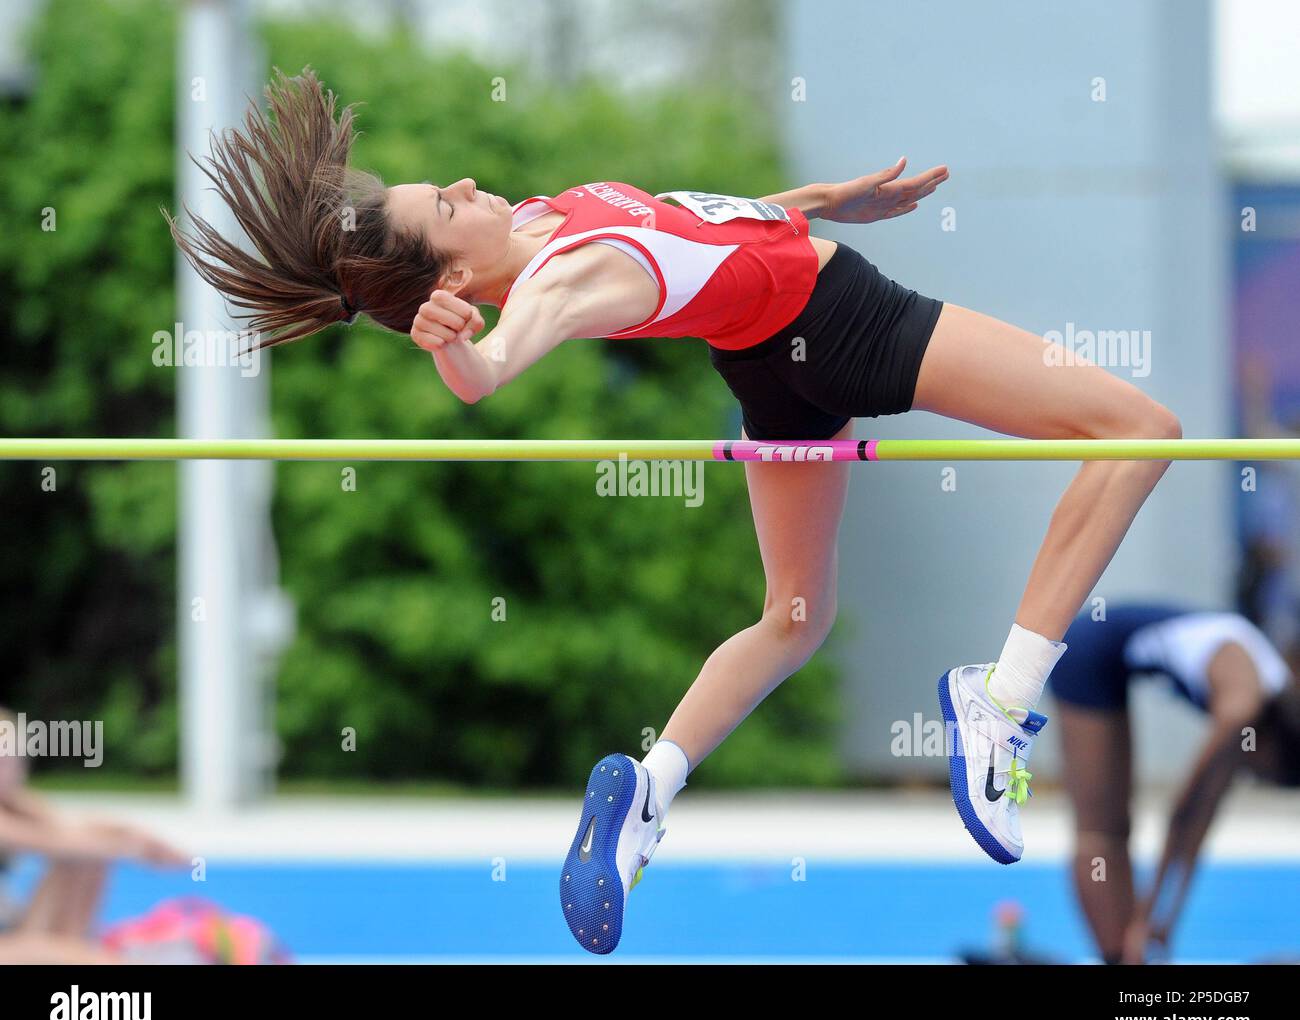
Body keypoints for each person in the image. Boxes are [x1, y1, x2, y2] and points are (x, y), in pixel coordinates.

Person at [170, 69, 1180, 953]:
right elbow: (491, 368)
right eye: (448, 202)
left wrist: (818, 201)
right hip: (838, 325)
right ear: (456, 275)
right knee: (1139, 429)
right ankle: (998, 701)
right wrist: (449, 345)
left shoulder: (536, 220)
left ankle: (647, 788)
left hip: (770, 355)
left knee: (792, 616)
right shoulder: (556, 280)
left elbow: (687, 223)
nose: (468, 183)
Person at [1049, 604, 1300, 964]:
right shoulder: (1240, 712)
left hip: (1114, 657)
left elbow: (1198, 826)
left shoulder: (1270, 703)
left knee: (1115, 831)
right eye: (1263, 774)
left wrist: (1165, 920)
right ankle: (1118, 956)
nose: (1251, 774)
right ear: (1273, 747)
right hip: (1086, 650)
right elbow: (1183, 814)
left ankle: (1127, 953)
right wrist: (1146, 918)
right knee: (1101, 832)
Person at [0, 709, 188, 964]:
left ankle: (74, 948)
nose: (16, 771)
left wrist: (133, 836)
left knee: (87, 860)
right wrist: (136, 847)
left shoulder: (14, 801)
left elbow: (74, 830)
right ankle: (80, 955)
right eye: (5, 760)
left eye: (18, 759)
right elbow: (58, 842)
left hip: (13, 930)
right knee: (54, 951)